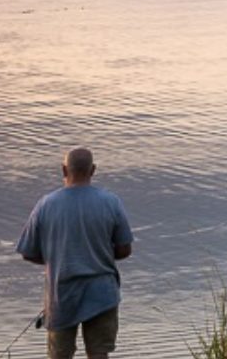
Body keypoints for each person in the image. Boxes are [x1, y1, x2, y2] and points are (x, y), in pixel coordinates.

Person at [15, 147, 134, 359]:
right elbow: (125, 249)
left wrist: (55, 257)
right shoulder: (111, 202)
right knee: (99, 353)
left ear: (63, 170)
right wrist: (99, 254)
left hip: (62, 295)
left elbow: (27, 251)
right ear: (93, 170)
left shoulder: (46, 205)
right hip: (102, 294)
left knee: (60, 355)